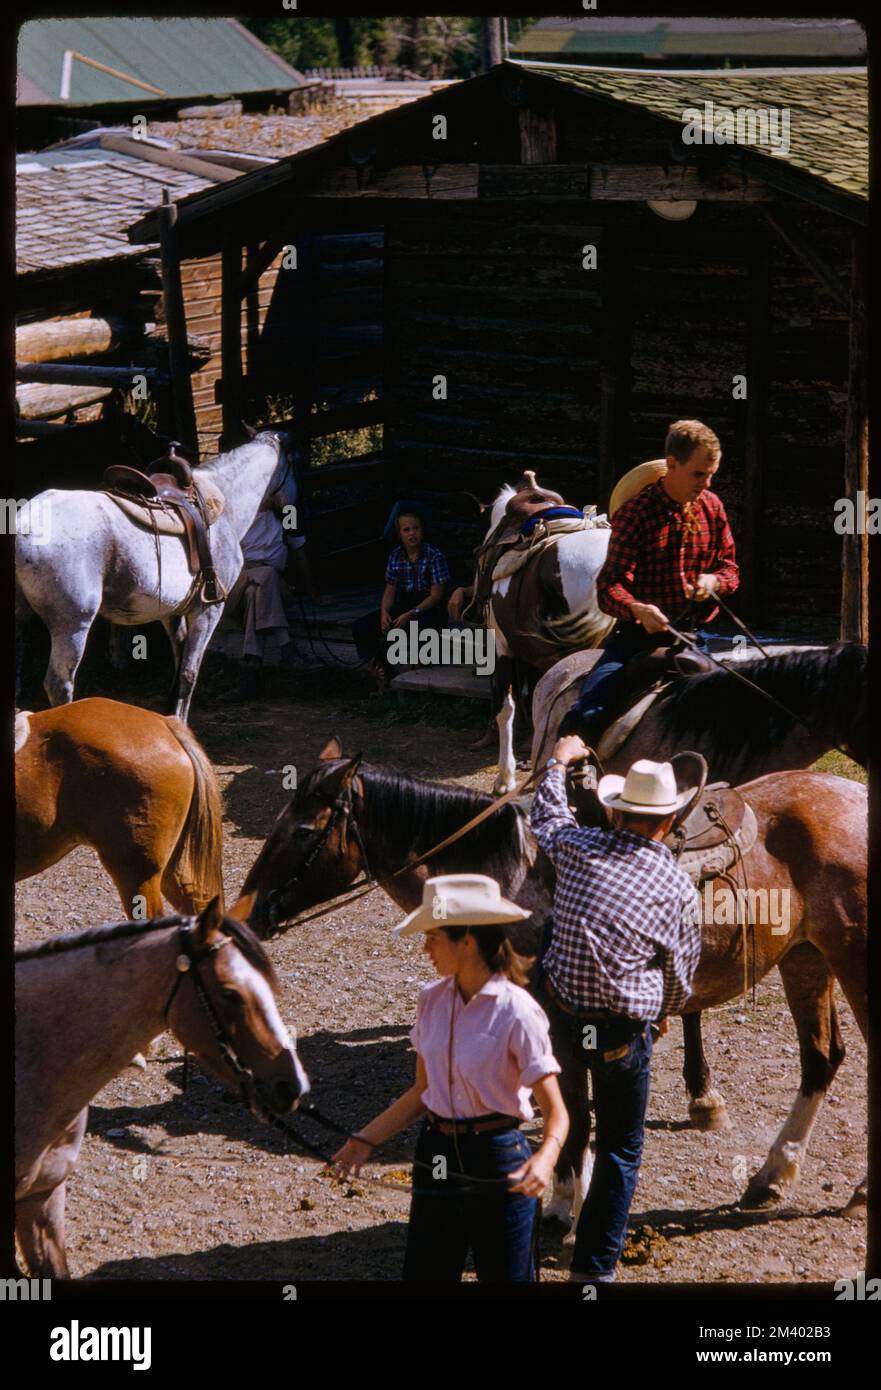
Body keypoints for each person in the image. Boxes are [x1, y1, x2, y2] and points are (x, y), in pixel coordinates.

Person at [332, 874, 569, 1282]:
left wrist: (545, 1161)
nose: (425, 949)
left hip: (499, 1161)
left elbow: (557, 1114)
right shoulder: (431, 1001)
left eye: (434, 937)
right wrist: (364, 1139)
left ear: (468, 940)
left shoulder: (518, 1012)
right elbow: (423, 1093)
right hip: (436, 1155)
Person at [530, 739, 702, 1282]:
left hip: (562, 1018)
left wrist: (559, 760)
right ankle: (594, 1271)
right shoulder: (678, 886)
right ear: (669, 818)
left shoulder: (578, 847)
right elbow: (680, 976)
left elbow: (545, 816)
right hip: (621, 1035)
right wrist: (663, 1012)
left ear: (614, 810)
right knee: (622, 1148)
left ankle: (554, 1190)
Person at [560, 418, 739, 741]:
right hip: (636, 639)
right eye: (699, 474)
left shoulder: (712, 507)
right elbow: (609, 587)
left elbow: (730, 569)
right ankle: (567, 772)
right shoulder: (636, 513)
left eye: (711, 474)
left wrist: (713, 581)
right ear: (672, 464)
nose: (707, 484)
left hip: (694, 636)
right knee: (589, 711)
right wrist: (638, 610)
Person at [231, 463, 321, 698]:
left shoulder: (285, 516)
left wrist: (313, 595)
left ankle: (251, 668)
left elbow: (298, 551)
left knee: (258, 591)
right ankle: (287, 649)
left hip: (269, 585)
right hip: (237, 582)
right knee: (263, 579)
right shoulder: (238, 516)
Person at [352, 500, 450, 691]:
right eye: (406, 530)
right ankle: (380, 668)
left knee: (420, 629)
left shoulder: (433, 555)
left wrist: (411, 614)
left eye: (415, 529)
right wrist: (384, 612)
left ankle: (419, 680)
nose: (412, 534)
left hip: (428, 607)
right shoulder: (396, 556)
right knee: (362, 627)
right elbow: (390, 590)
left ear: (422, 530)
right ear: (400, 534)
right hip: (405, 604)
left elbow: (436, 595)